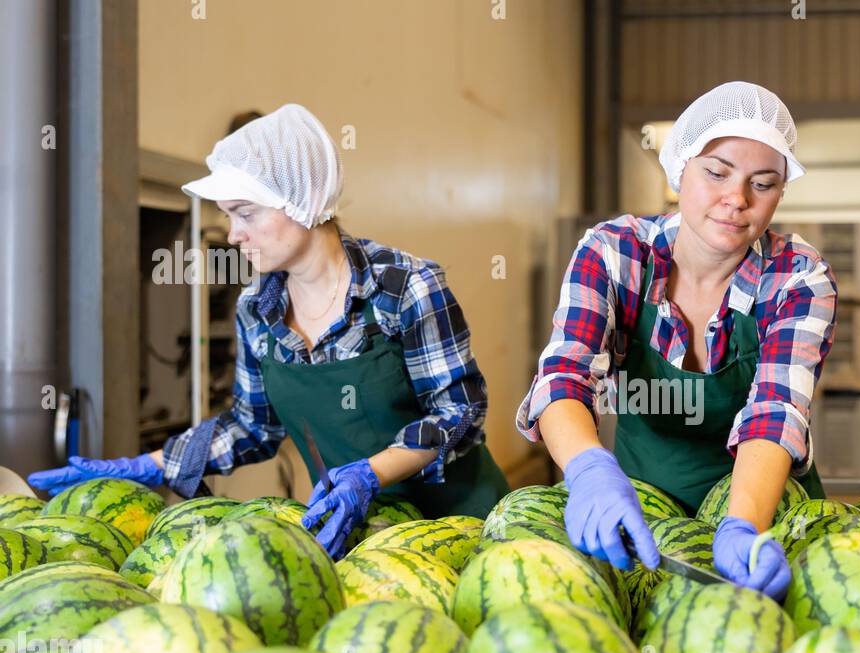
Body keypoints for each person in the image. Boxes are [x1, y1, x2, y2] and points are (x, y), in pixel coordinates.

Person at [29, 103, 508, 557]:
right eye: (229, 216)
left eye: (245, 213)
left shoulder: (405, 286)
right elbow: (251, 426)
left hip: (462, 524)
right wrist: (147, 465)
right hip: (363, 532)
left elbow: (459, 411)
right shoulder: (257, 309)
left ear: (300, 201)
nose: (234, 234)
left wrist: (371, 473)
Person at [517, 82, 838, 600]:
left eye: (765, 183)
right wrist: (590, 470)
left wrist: (743, 528)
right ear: (679, 167)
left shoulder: (798, 277)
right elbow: (565, 375)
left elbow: (777, 410)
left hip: (761, 504)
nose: (737, 200)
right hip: (640, 504)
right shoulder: (615, 252)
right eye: (716, 172)